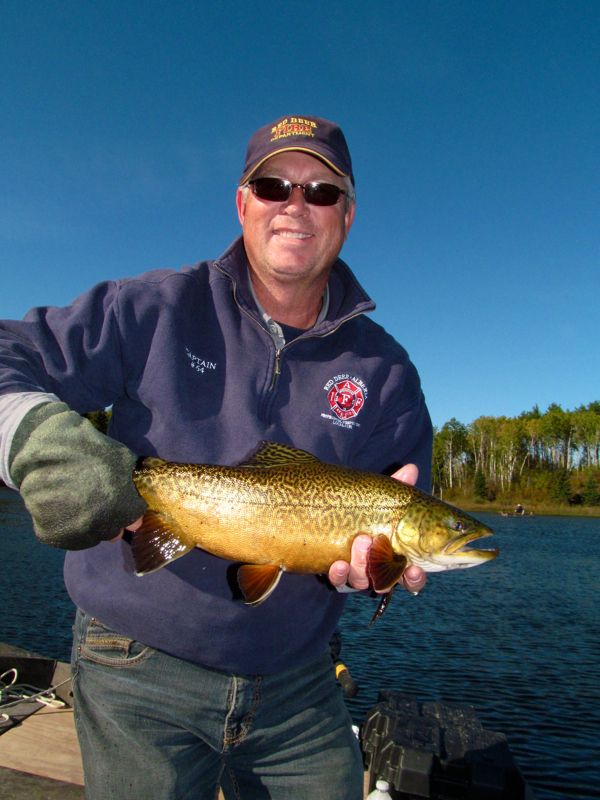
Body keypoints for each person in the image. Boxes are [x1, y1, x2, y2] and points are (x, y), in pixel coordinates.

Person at [0, 116, 433, 800]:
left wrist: (376, 573)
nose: (295, 205)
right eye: (273, 186)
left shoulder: (388, 372)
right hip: (130, 664)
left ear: (347, 215)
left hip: (299, 684)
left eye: (322, 191)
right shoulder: (154, 307)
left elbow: (406, 506)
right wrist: (35, 439)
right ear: (242, 204)